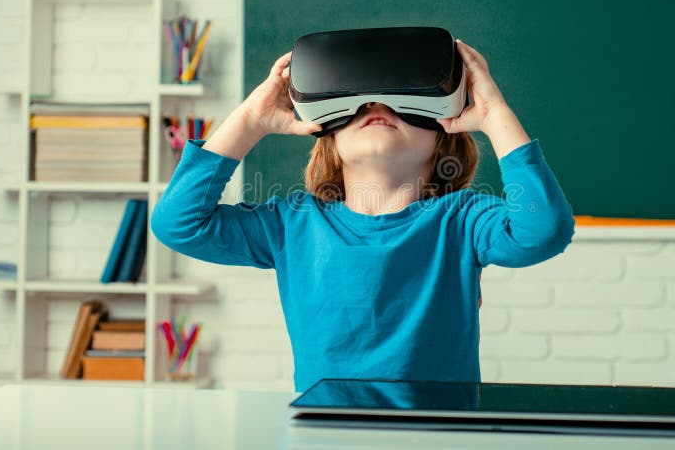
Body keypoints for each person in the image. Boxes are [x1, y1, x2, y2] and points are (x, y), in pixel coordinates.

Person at [151, 39, 575, 392]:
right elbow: (179, 224)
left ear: (444, 140)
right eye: (359, 104)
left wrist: (495, 114)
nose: (377, 106)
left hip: (439, 434)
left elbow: (544, 230)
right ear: (329, 142)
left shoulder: (461, 220)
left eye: (400, 103)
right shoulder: (293, 223)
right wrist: (251, 119)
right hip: (328, 434)